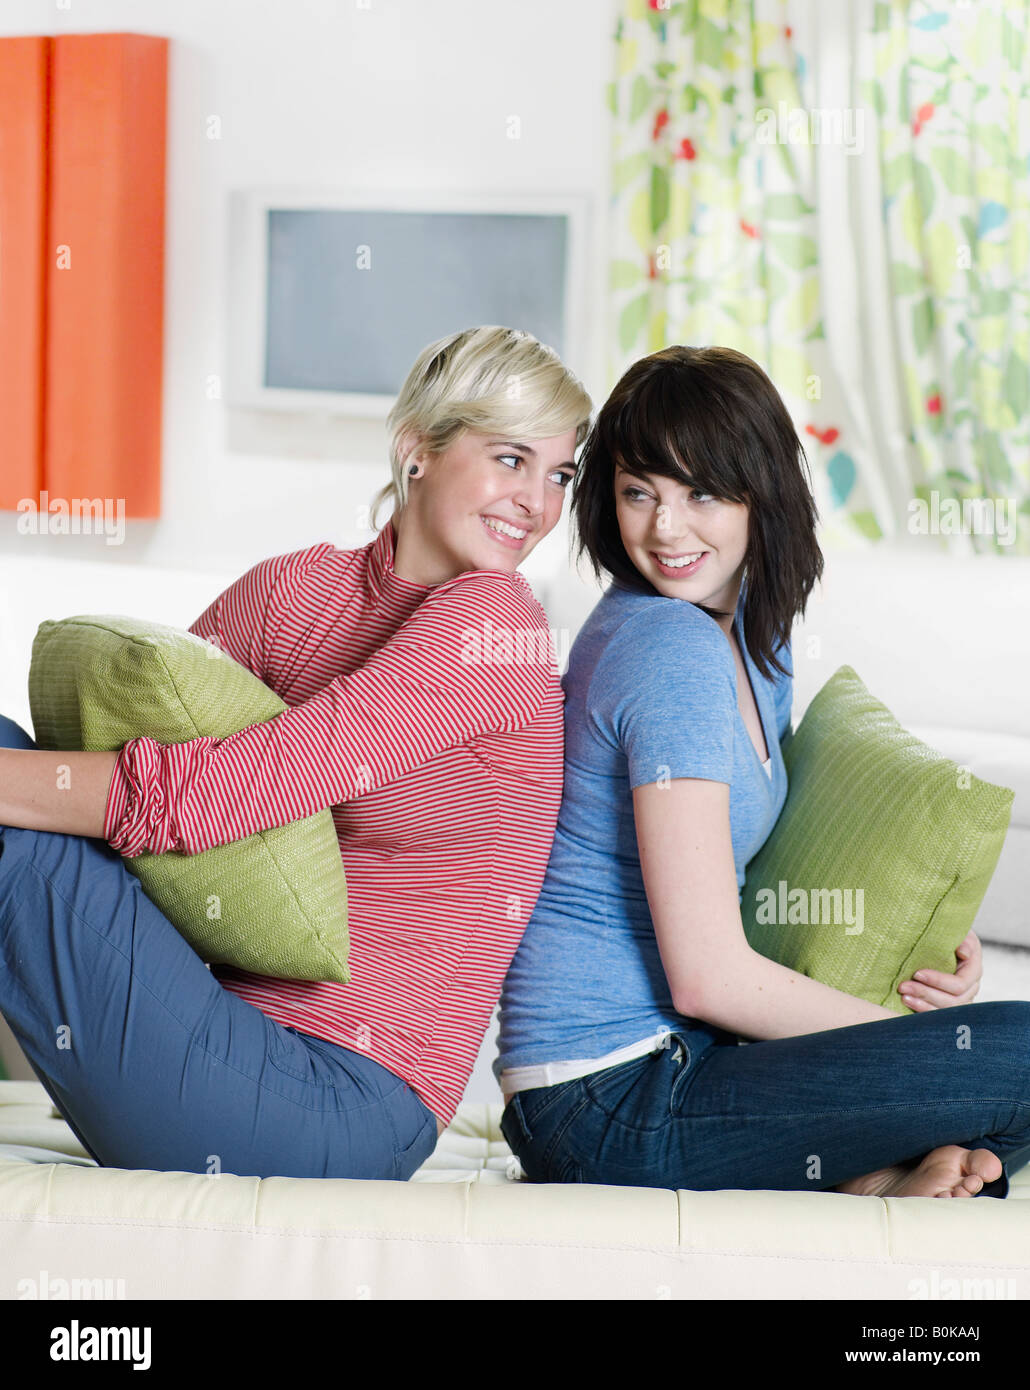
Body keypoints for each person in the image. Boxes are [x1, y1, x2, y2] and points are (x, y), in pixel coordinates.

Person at [0, 325, 592, 1182]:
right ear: (415, 449)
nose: (536, 503)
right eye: (510, 459)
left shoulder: (498, 626)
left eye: (559, 474)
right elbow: (153, 787)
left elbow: (215, 795)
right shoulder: (294, 593)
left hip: (343, 1101)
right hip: (214, 1039)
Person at [495, 343, 1030, 1200]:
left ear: (761, 492)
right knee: (1018, 1056)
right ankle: (907, 1165)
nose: (665, 529)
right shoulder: (664, 647)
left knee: (994, 1073)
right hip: (606, 1098)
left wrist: (923, 965)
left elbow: (740, 884)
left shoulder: (751, 636)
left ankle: (901, 1173)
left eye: (700, 491)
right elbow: (706, 975)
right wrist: (917, 1049)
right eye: (640, 493)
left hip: (691, 1061)